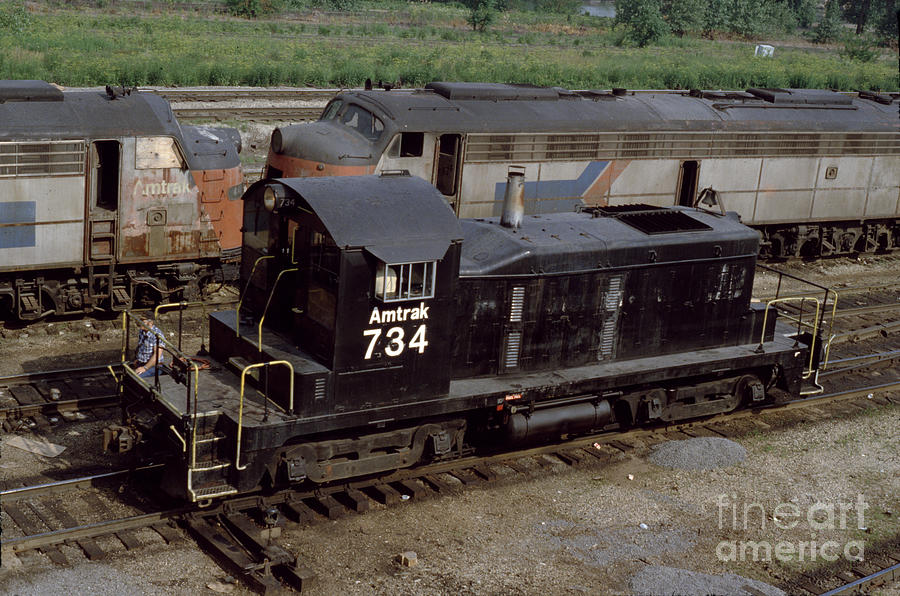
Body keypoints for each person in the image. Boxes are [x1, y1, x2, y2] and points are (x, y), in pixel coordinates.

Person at [134, 314, 168, 379]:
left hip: (154, 366)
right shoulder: (142, 331)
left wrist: (145, 368)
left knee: (136, 377)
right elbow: (141, 346)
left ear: (151, 323)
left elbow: (157, 355)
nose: (140, 324)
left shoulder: (157, 335)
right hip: (142, 362)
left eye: (143, 322)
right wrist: (137, 359)